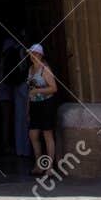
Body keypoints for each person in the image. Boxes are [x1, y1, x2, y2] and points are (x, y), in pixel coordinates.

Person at [26, 42, 60, 175]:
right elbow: (30, 90)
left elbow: (54, 88)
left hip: (46, 104)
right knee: (33, 134)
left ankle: (50, 167)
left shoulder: (45, 69)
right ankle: (39, 164)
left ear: (40, 55)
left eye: (35, 53)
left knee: (47, 134)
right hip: (34, 105)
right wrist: (27, 109)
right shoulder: (30, 69)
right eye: (31, 53)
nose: (33, 56)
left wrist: (38, 91)